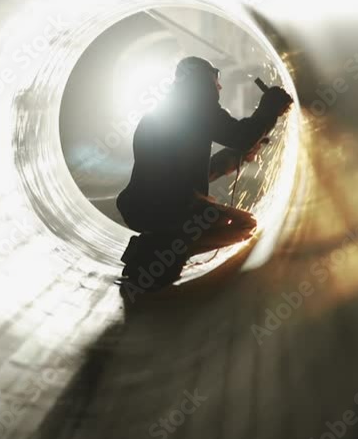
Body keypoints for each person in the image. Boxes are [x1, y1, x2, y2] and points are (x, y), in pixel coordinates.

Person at [116, 56, 294, 288]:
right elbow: (243, 136)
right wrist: (270, 106)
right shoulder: (197, 107)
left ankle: (158, 249)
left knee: (210, 218)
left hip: (139, 209)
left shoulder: (160, 113)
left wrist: (234, 157)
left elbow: (180, 175)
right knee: (244, 225)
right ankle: (163, 251)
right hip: (170, 209)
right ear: (202, 80)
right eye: (215, 79)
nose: (219, 87)